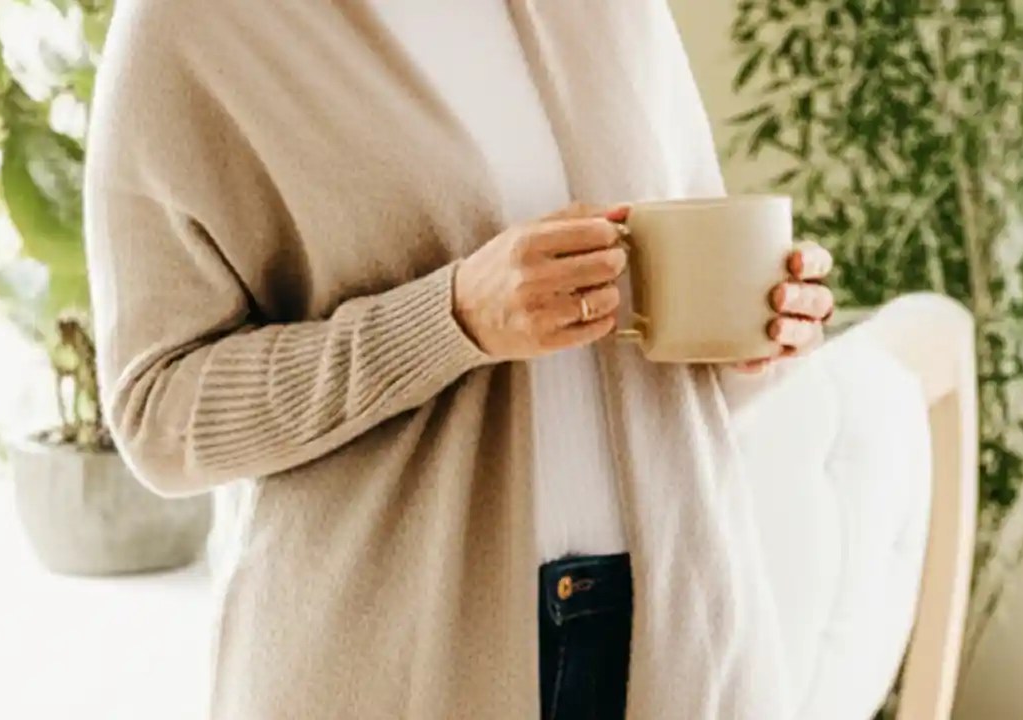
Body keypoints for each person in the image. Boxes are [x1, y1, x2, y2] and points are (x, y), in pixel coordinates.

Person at [85, 2, 834, 718]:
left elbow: (662, 329)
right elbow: (157, 414)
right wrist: (450, 318)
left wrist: (760, 334)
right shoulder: (192, 24)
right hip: (393, 662)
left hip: (681, 642)